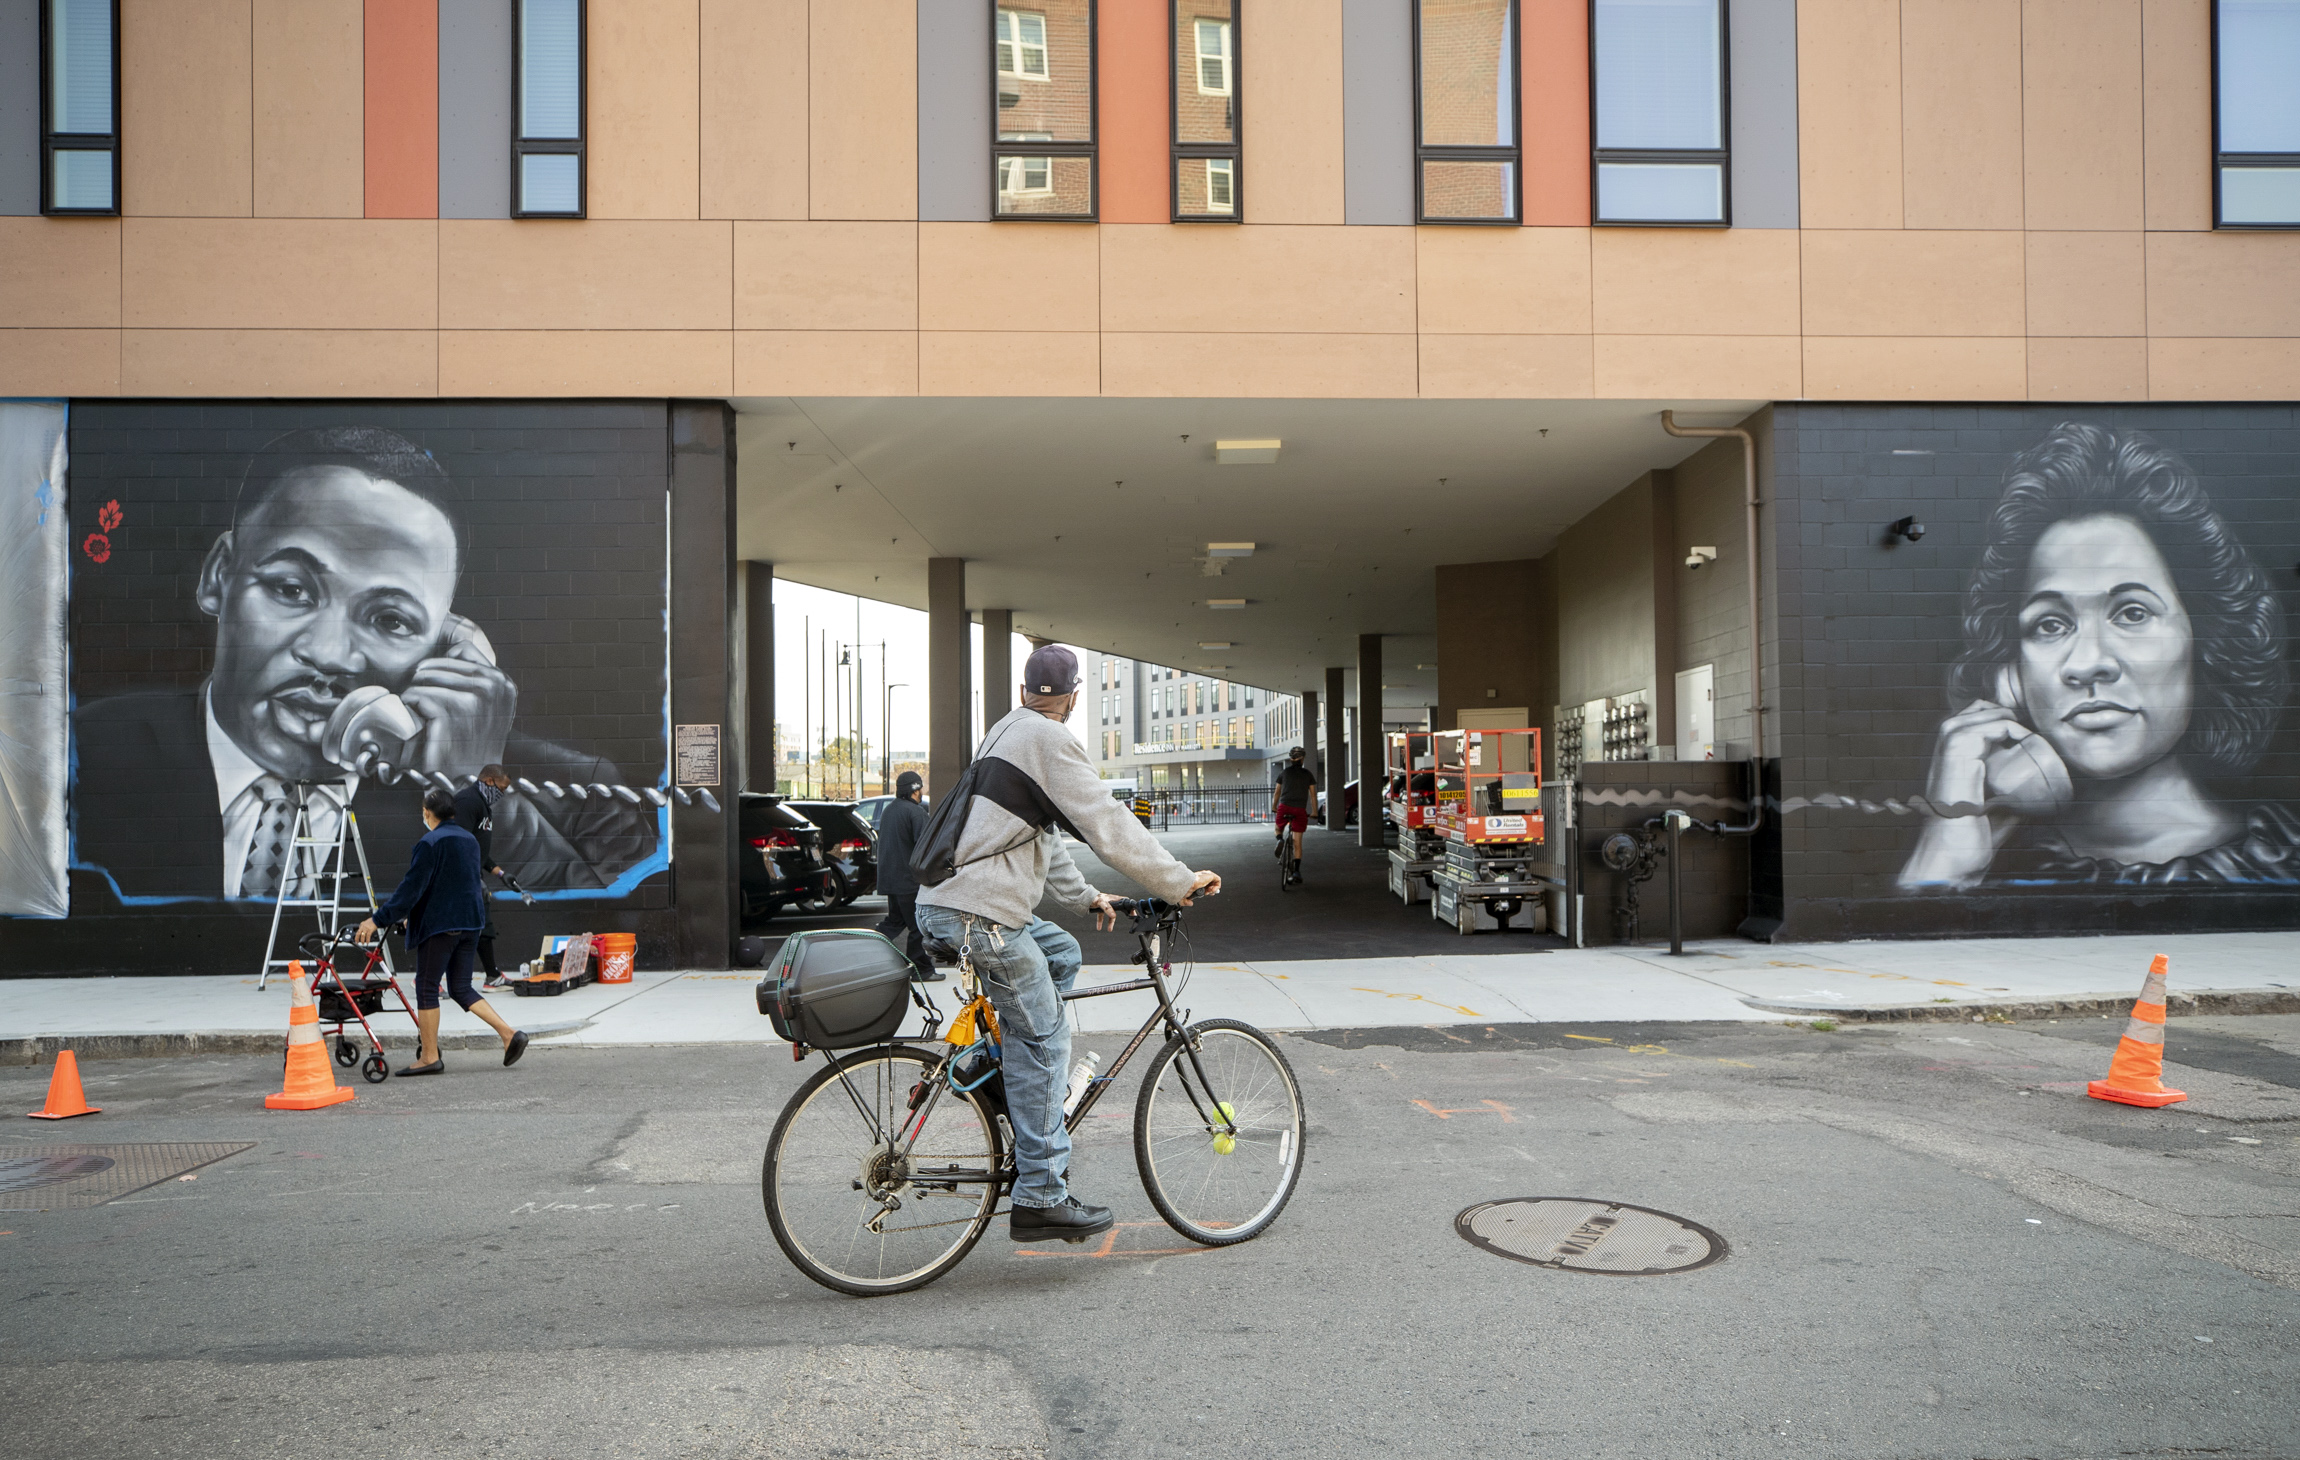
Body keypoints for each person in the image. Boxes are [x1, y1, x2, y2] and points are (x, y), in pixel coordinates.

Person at [70, 425, 656, 900]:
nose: (329, 654)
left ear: (444, 650)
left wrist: (469, 787)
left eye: (392, 620)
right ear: (220, 577)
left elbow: (580, 924)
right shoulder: (76, 761)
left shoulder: (583, 799)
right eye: (291, 589)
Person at [1899, 423, 2296, 890]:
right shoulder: (1984, 862)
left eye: (2131, 613)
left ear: (2205, 640)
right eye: (2050, 624)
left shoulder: (2283, 857)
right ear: (2012, 677)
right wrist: (1940, 866)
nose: (2087, 663)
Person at [916, 645, 1220, 1244]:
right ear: (1074, 697)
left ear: (1026, 690)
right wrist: (1178, 882)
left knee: (1061, 953)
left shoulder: (1006, 729)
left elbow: (1043, 839)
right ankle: (1042, 1194)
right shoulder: (1050, 741)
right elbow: (1106, 822)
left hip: (953, 905)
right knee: (1047, 1033)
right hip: (981, 915)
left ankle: (995, 1067)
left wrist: (1087, 900)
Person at [356, 786, 530, 1075]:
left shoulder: (430, 843)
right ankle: (509, 1034)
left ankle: (429, 1057)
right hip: (471, 924)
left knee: (426, 988)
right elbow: (453, 883)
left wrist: (377, 920)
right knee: (460, 987)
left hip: (442, 926)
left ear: (427, 813)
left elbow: (411, 889)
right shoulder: (470, 841)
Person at [872, 770, 939, 982]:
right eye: (920, 789)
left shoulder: (889, 811)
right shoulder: (916, 813)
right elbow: (925, 847)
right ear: (914, 791)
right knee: (919, 926)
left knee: (894, 922)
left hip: (890, 879)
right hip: (908, 881)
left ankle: (867, 951)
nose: (921, 794)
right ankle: (922, 970)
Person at [452, 764, 513, 988]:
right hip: (460, 878)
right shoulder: (468, 802)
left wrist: (501, 874)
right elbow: (457, 841)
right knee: (450, 930)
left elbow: (478, 847)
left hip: (471, 876)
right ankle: (425, 978)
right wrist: (472, 878)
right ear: (489, 781)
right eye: (502, 788)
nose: (502, 794)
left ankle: (492, 975)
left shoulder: (483, 805)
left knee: (482, 925)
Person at [1270, 745, 1318, 884]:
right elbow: (1313, 795)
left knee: (1278, 827)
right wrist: (1314, 811)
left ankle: (1279, 839)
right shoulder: (1308, 774)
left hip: (1284, 807)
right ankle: (1296, 871)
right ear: (1302, 759)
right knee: (1298, 842)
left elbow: (1277, 792)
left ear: (1291, 759)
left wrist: (1275, 806)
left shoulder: (1284, 773)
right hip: (1299, 810)